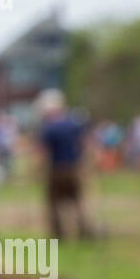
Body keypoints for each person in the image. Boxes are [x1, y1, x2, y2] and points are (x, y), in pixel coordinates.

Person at [38, 89, 93, 239]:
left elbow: (43, 152)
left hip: (57, 170)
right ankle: (84, 230)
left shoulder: (48, 128)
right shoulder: (73, 124)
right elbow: (84, 144)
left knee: (54, 204)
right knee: (77, 201)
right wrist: (84, 163)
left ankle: (58, 234)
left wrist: (39, 170)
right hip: (73, 168)